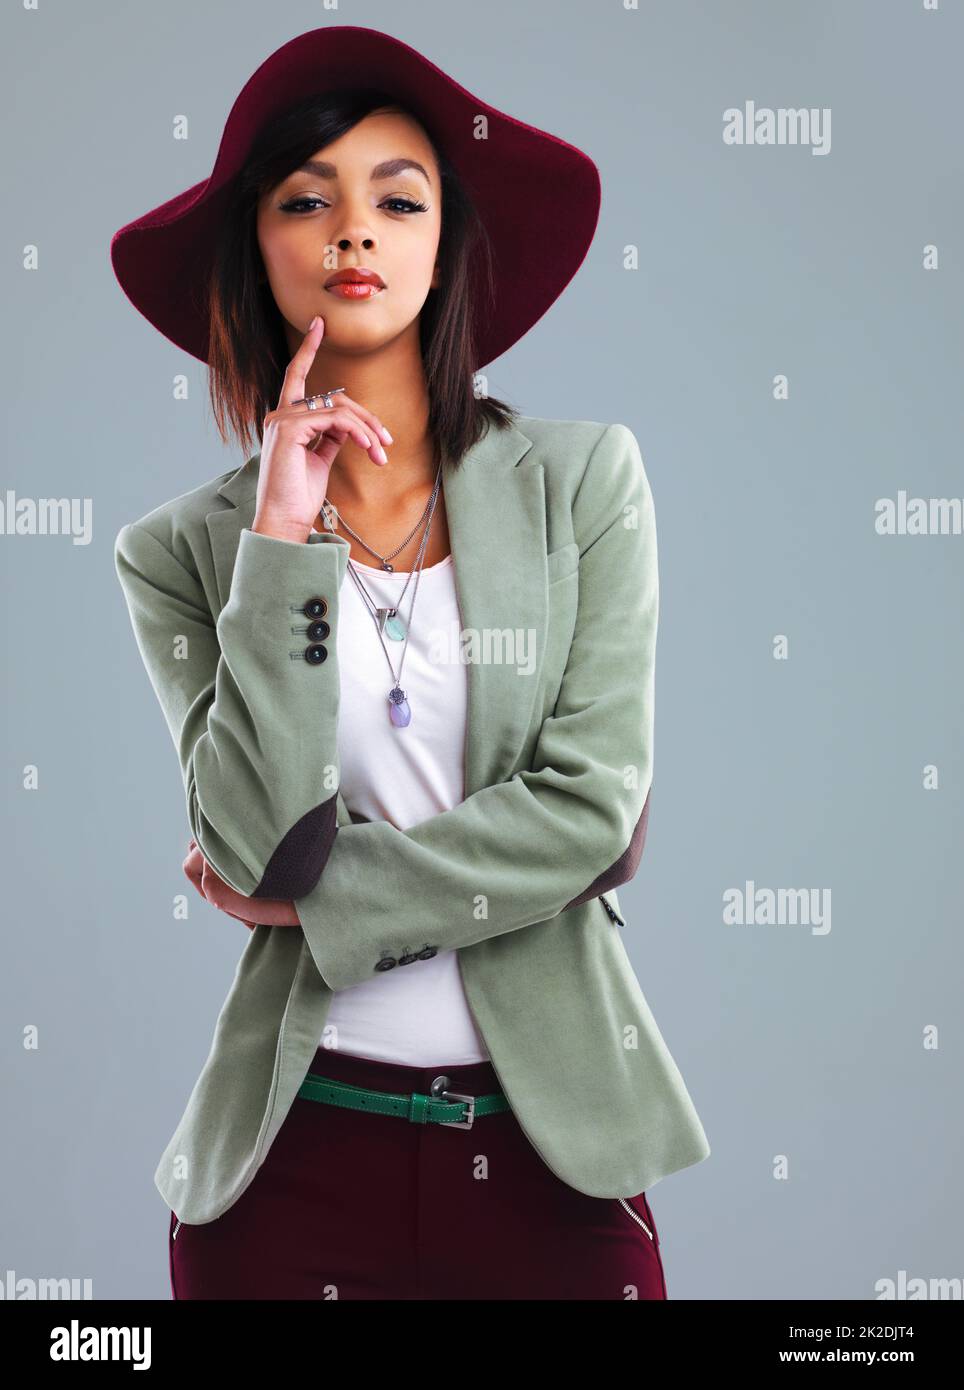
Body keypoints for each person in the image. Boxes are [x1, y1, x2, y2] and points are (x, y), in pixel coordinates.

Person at [111, 25, 710, 1301]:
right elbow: (261, 843)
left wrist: (328, 898)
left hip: (550, 1146)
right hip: (290, 1163)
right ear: (257, 250)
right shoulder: (180, 551)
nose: (353, 231)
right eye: (305, 200)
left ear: (445, 247)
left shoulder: (583, 482)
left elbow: (592, 811)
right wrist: (279, 536)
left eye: (397, 196)